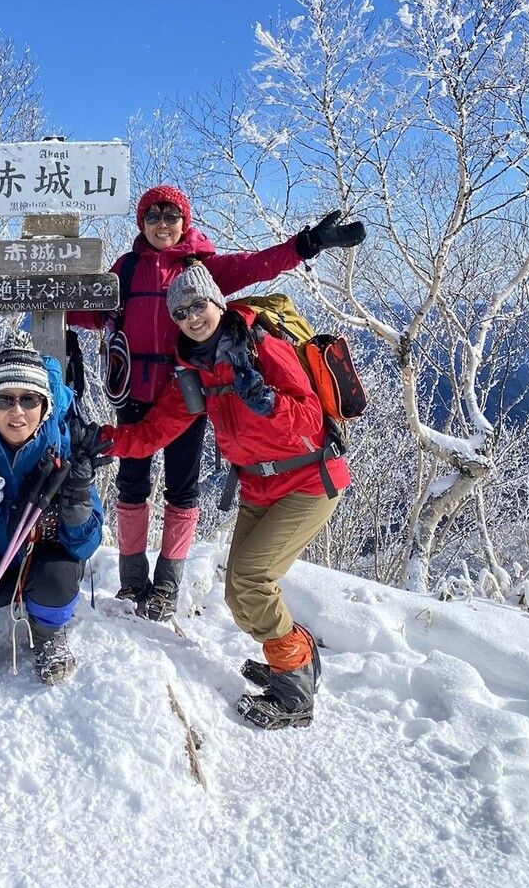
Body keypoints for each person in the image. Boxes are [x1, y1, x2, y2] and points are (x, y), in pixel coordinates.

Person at [69, 184, 363, 621]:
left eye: (171, 216)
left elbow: (257, 265)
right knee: (131, 486)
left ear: (185, 222)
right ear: (141, 224)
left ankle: (167, 584)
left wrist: (307, 244)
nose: (162, 224)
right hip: (131, 391)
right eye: (153, 216)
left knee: (181, 487)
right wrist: (47, 303)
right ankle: (133, 582)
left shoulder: (202, 269)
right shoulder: (126, 269)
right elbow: (95, 311)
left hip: (190, 391)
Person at [98, 262, 349, 729]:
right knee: (239, 595)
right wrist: (104, 440)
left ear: (217, 302)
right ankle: (294, 652)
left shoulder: (261, 347)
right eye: (181, 311)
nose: (192, 316)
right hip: (257, 483)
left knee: (253, 580)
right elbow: (155, 431)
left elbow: (310, 419)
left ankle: (295, 688)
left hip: (308, 480)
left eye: (199, 304)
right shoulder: (193, 370)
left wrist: (269, 404)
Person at [0, 345, 104, 685]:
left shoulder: (65, 448)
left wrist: (76, 508)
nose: (18, 411)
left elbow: (84, 548)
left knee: (57, 580)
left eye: (29, 399)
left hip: (42, 557)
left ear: (44, 406)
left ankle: (47, 633)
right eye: (4, 400)